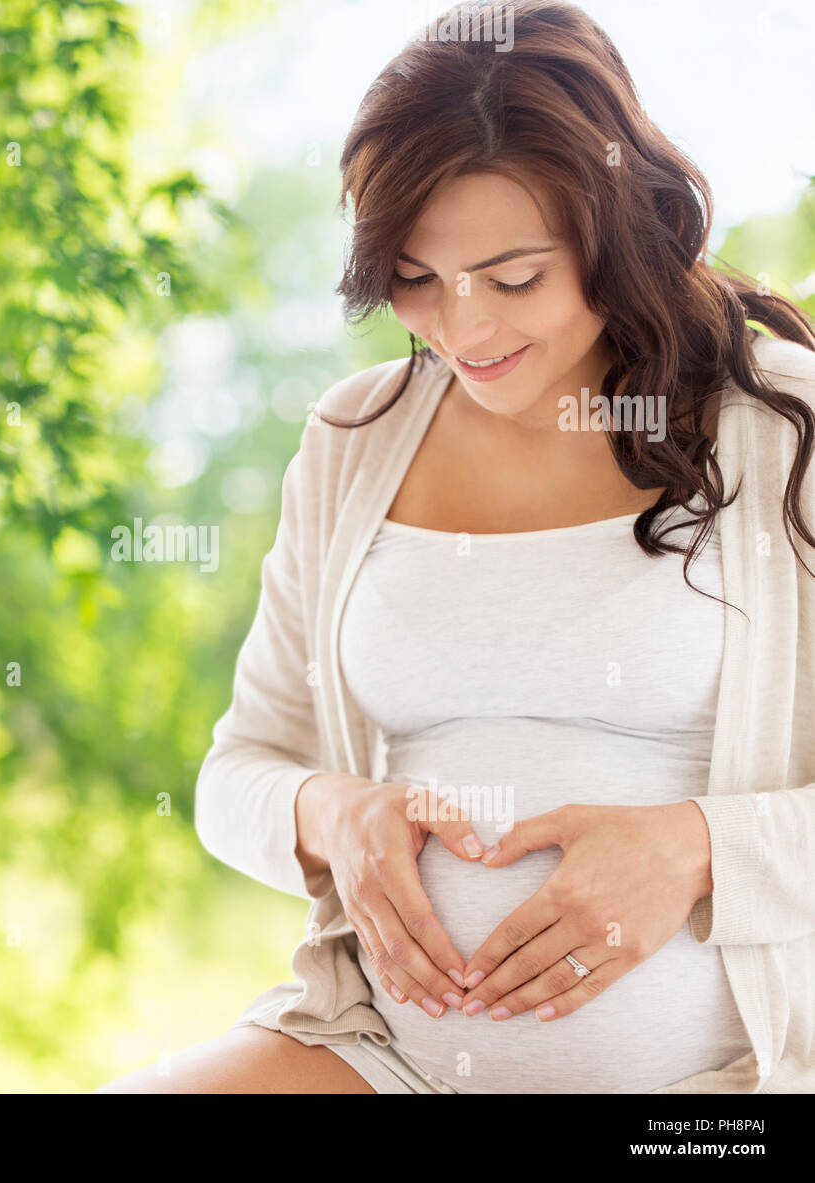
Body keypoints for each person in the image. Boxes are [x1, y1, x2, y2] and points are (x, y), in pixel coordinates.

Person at [96, 0, 815, 1093]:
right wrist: (332, 815)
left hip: (721, 1087)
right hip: (386, 1057)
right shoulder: (354, 440)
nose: (463, 329)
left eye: (512, 278)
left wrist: (696, 848)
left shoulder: (779, 428)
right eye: (415, 280)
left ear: (613, 225)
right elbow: (236, 773)